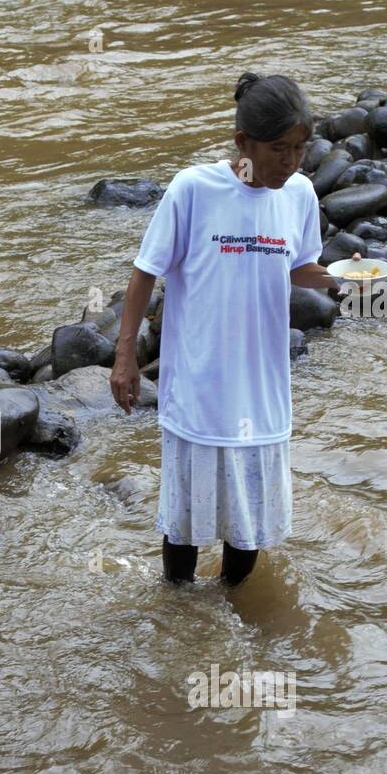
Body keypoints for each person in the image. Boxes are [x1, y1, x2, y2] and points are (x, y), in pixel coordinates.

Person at [110, 72, 337, 588]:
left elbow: (299, 266)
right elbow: (146, 271)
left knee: (247, 526)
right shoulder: (195, 189)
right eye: (280, 148)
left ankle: (229, 612)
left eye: (301, 148)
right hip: (199, 386)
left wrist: (343, 280)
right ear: (243, 143)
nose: (292, 161)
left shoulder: (299, 194)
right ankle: (180, 613)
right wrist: (124, 356)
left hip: (263, 389)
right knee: (185, 527)